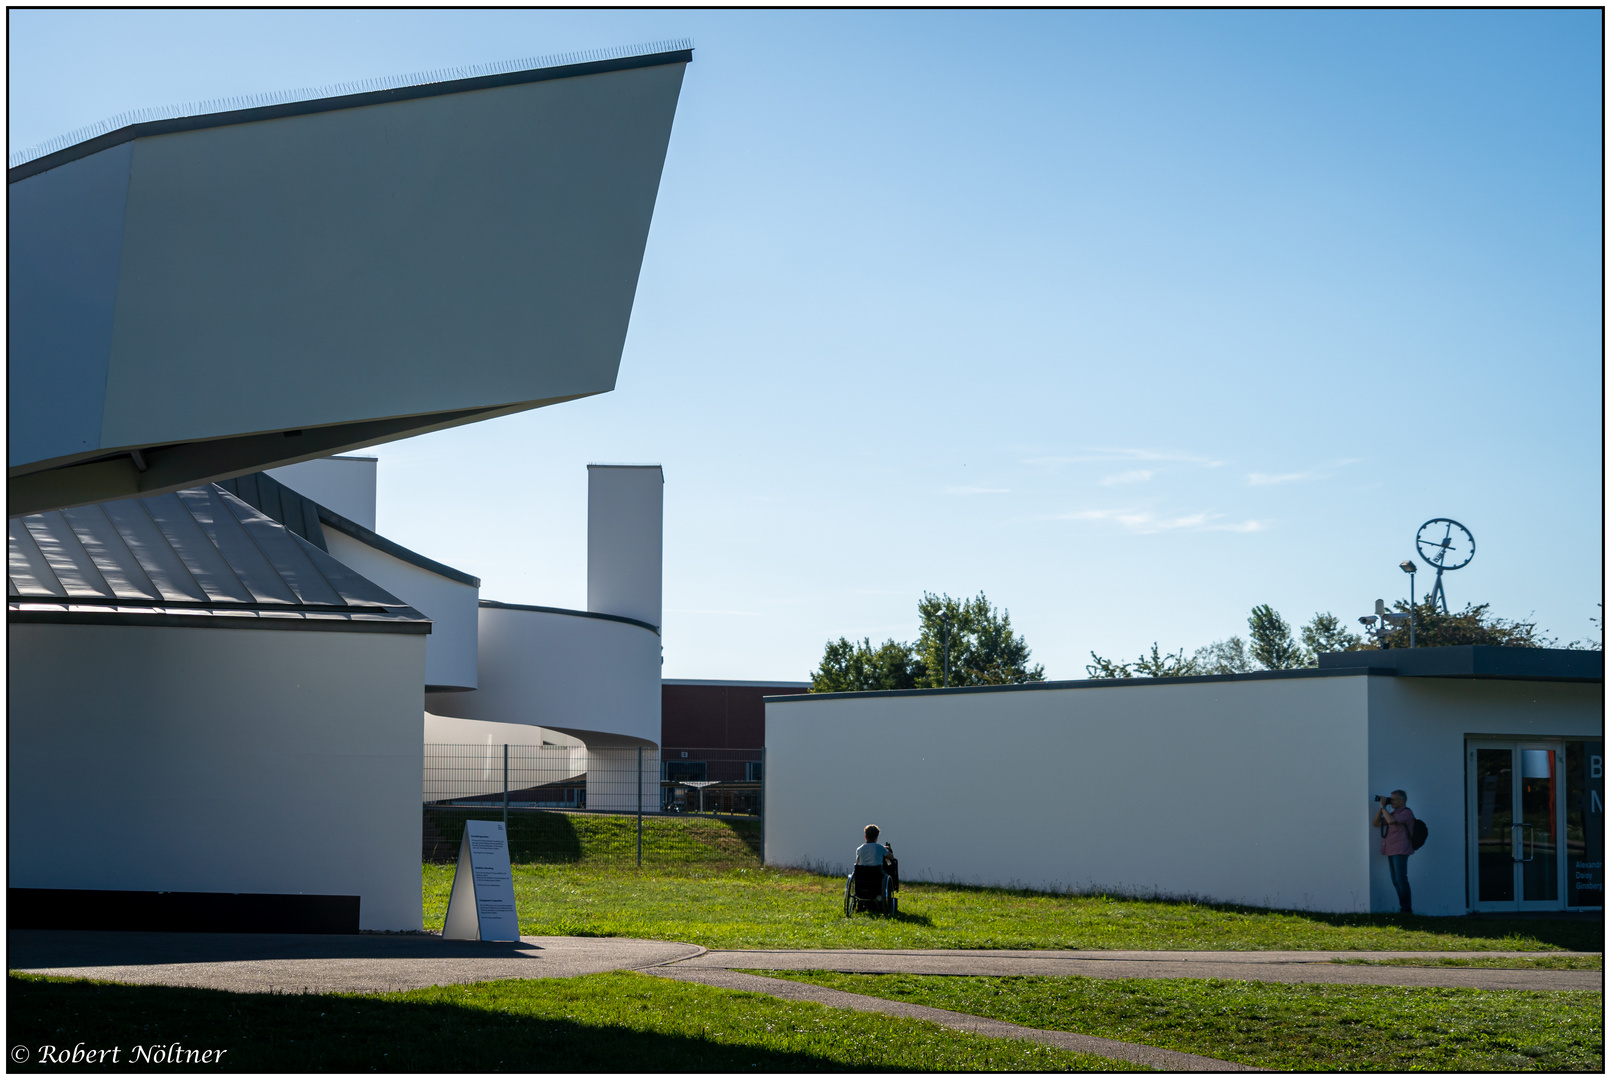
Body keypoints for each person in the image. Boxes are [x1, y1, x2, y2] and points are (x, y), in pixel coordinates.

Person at [1373, 790, 1416, 914]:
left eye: (1393, 799)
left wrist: (1383, 806)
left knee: (1401, 880)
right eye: (1390, 799)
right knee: (1395, 881)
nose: (1391, 802)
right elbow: (1376, 823)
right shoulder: (1393, 813)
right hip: (1391, 850)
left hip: (1401, 850)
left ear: (1401, 800)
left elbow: (1391, 821)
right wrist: (1381, 809)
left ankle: (1406, 909)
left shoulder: (1407, 813)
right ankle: (1403, 908)